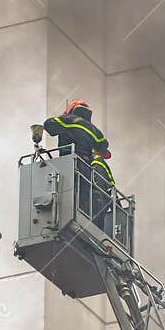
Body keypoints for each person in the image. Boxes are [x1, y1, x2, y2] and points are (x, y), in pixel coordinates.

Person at [42, 99, 115, 231]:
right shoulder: (94, 130)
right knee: (85, 198)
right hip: (86, 168)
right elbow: (103, 144)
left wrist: (63, 117)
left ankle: (63, 219)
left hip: (70, 165)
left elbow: (48, 125)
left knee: (68, 196)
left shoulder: (68, 119)